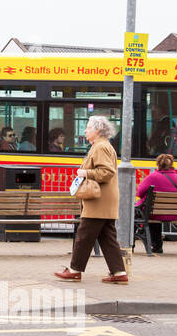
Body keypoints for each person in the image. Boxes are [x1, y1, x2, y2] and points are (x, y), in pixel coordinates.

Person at [54, 114, 127, 284]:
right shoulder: (102, 146)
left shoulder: (100, 147)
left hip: (98, 201)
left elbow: (106, 172)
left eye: (88, 127)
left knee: (84, 235)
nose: (85, 130)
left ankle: (74, 270)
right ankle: (119, 273)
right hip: (105, 200)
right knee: (107, 237)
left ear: (98, 130)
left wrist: (85, 173)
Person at [135, 153, 177, 254]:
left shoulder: (152, 177)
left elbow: (140, 193)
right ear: (171, 164)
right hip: (173, 214)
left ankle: (132, 244)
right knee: (154, 214)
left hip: (154, 213)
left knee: (139, 213)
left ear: (158, 164)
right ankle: (157, 247)